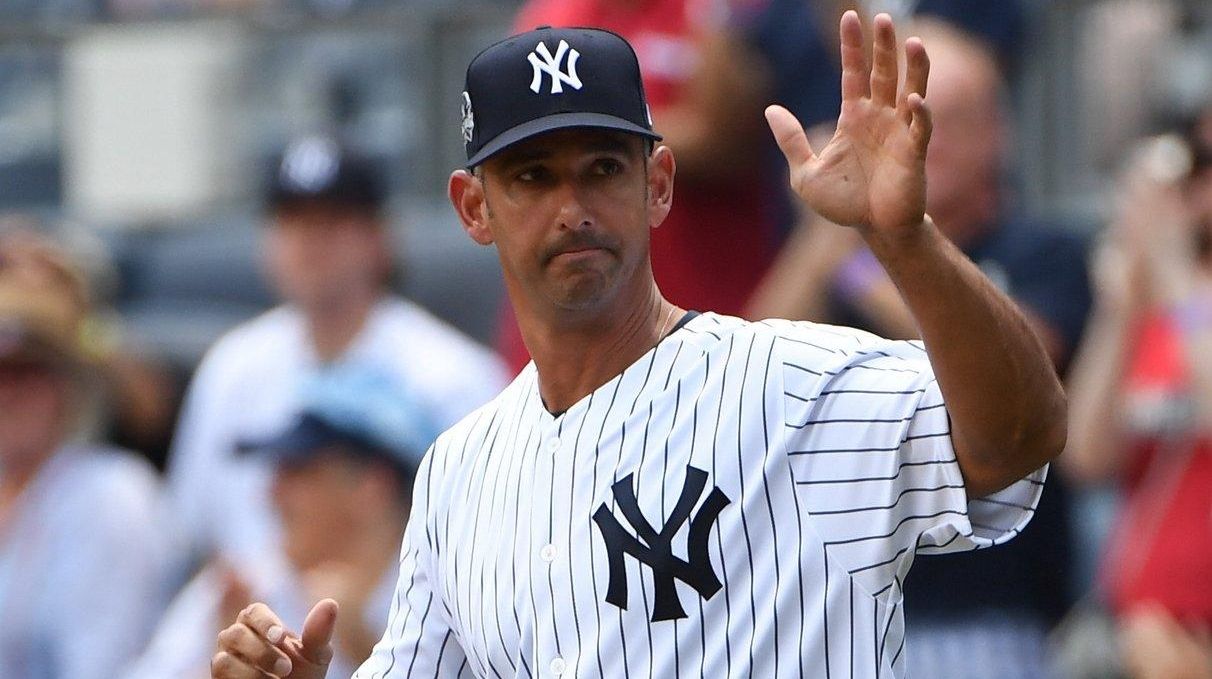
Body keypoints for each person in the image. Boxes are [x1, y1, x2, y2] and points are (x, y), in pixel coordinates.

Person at [211, 13, 1066, 678]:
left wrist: (906, 241)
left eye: (603, 168)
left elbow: (1021, 435)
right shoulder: (459, 469)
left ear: (657, 184)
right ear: (474, 208)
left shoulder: (789, 384)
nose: (572, 205)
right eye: (533, 177)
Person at [750, 20, 1092, 677]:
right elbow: (754, 374)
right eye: (892, 110)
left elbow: (1012, 385)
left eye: (937, 115)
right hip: (835, 610)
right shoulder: (842, 250)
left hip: (989, 604)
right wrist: (831, 229)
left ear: (998, 130)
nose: (914, 135)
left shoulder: (1044, 249)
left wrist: (880, 247)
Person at [165, 134, 509, 584]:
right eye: (293, 221)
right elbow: (191, 538)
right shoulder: (231, 366)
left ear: (379, 237)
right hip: (248, 625)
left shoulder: (456, 377)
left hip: (399, 631)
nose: (311, 242)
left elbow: (490, 560)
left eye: (332, 221)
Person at [126, 364, 434, 679]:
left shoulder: (445, 592)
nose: (271, 494)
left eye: (297, 471)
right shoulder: (243, 585)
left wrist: (370, 653)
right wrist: (216, 667)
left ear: (373, 486)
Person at [1065, 106, 1212, 677]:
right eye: (1193, 164)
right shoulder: (1160, 308)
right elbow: (1086, 453)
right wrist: (1123, 303)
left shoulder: (1183, 302)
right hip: (1150, 622)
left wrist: (1173, 269)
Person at [0, 231, 172, 679]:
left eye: (27, 371)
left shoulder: (111, 496)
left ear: (67, 385)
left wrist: (74, 314)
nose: (8, 391)